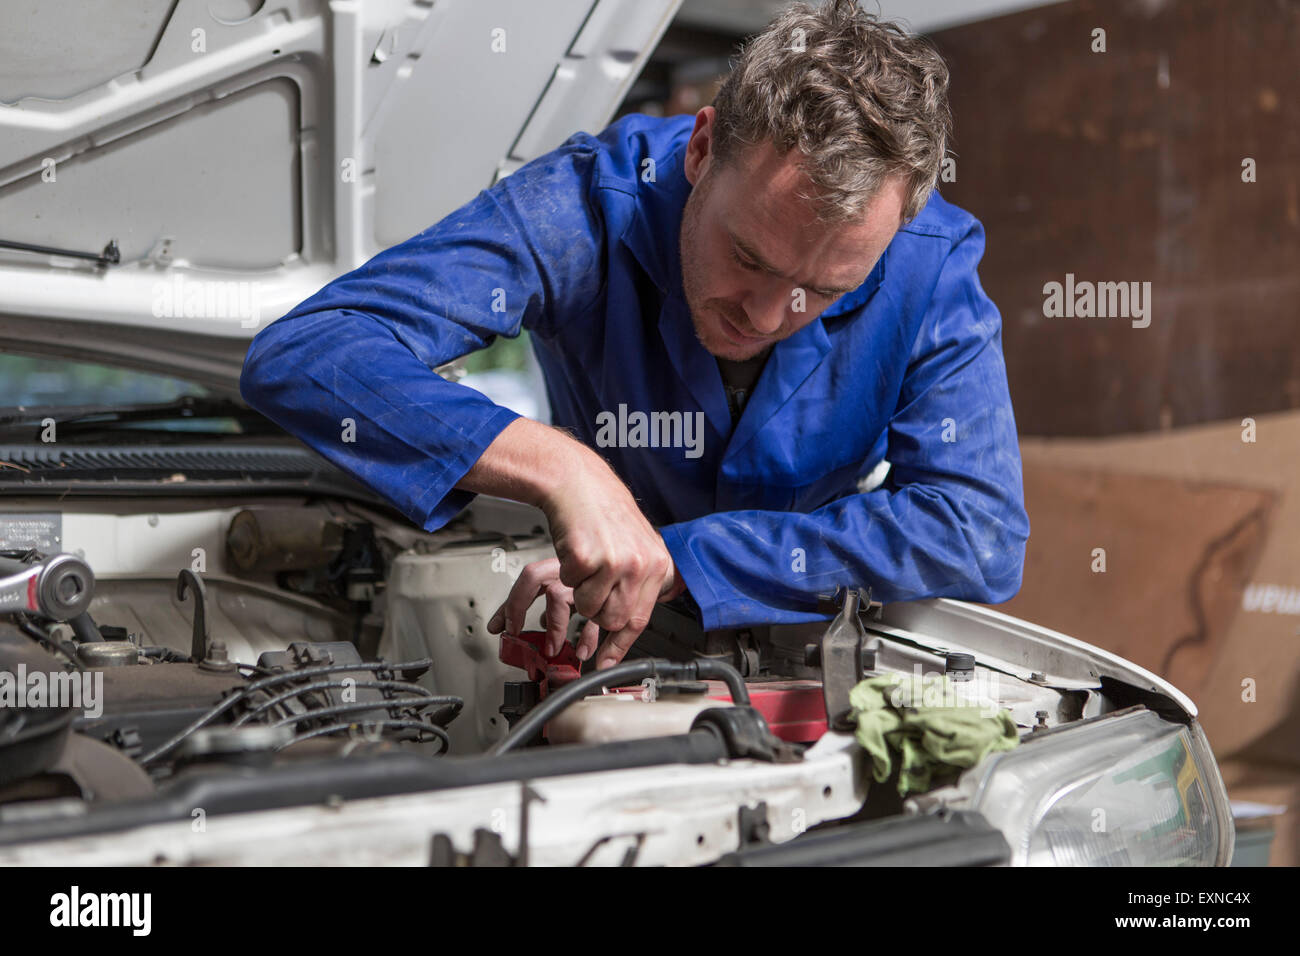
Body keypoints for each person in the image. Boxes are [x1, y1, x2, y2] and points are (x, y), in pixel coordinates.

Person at [240, 0, 1030, 672]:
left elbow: (979, 532)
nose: (764, 315)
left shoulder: (928, 261)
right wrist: (561, 467)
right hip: (605, 637)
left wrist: (684, 558)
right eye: (748, 257)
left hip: (809, 630)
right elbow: (311, 351)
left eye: (824, 291)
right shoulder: (585, 207)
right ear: (701, 150)